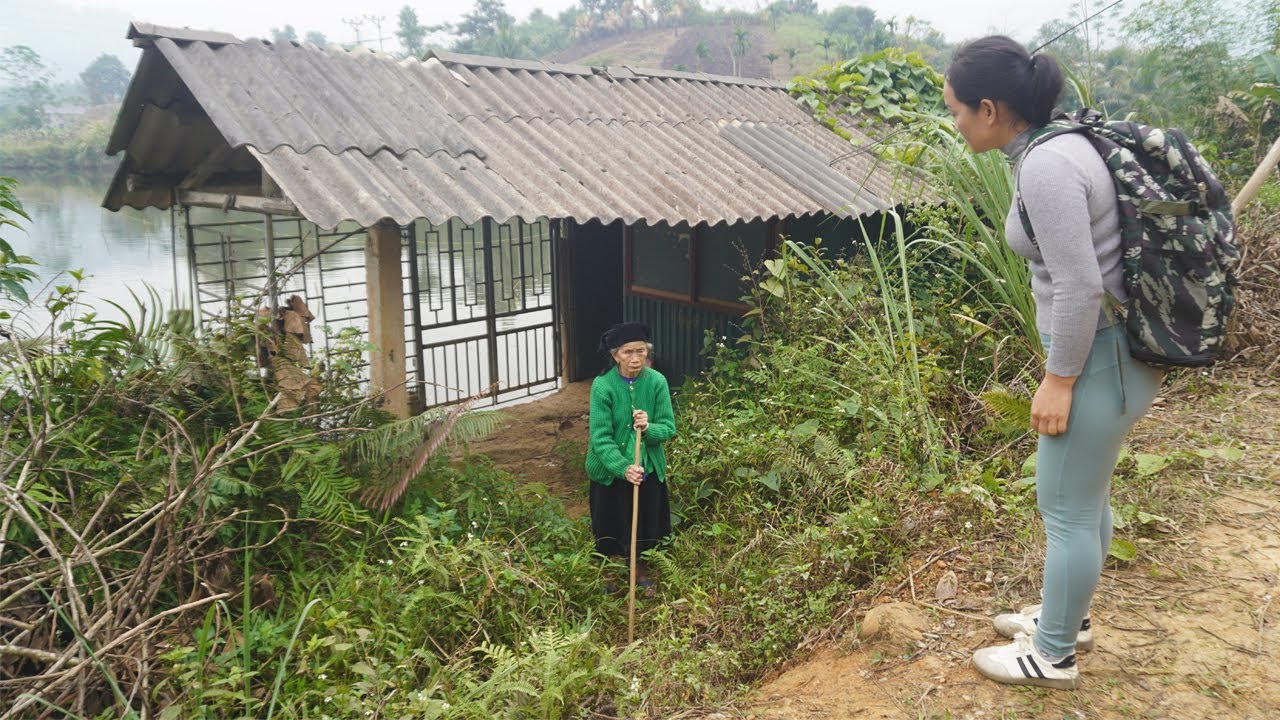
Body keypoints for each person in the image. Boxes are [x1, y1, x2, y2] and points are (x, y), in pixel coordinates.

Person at [943, 35, 1163, 690]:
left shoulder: (1045, 167)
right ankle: (1071, 619)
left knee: (1064, 508)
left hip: (1098, 361)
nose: (954, 123)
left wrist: (1058, 381)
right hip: (1114, 359)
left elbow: (1079, 284)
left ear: (989, 109)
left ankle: (1054, 653)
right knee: (1086, 502)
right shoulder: (1058, 146)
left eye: (956, 110)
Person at [585, 322, 676, 589]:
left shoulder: (657, 382)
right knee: (610, 522)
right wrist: (623, 467)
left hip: (647, 466)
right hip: (610, 472)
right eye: (627, 352)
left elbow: (668, 428)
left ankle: (639, 570)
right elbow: (600, 438)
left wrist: (648, 428)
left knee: (644, 524)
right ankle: (609, 573)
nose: (635, 359)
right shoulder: (603, 387)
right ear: (615, 355)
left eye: (640, 351)